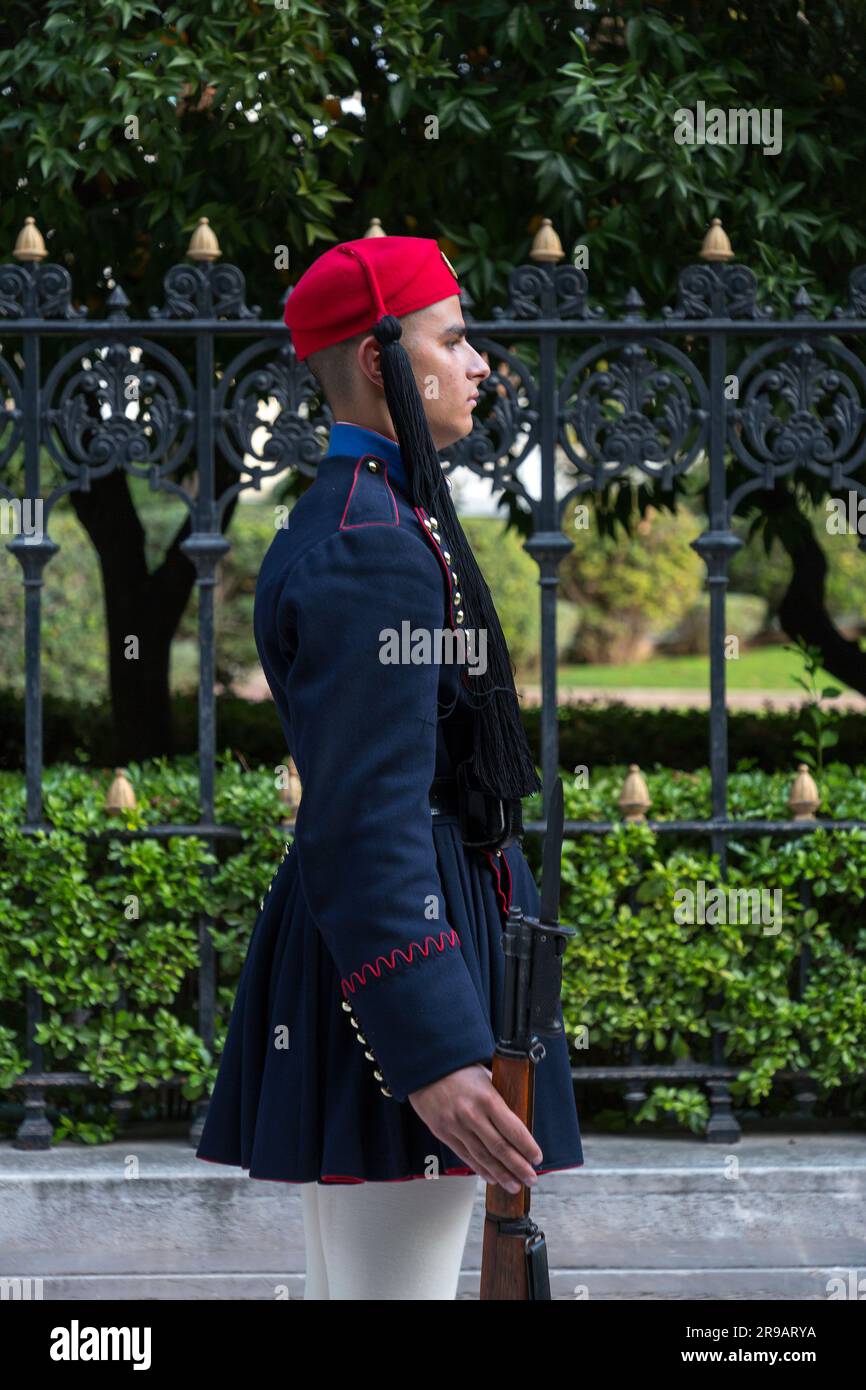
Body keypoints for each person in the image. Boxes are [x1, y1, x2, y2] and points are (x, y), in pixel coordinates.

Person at [195, 234, 583, 1299]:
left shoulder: (379, 517)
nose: (479, 365)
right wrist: (433, 1048)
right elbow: (364, 820)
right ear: (380, 359)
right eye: (452, 338)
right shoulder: (371, 543)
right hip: (402, 957)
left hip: (401, 943)